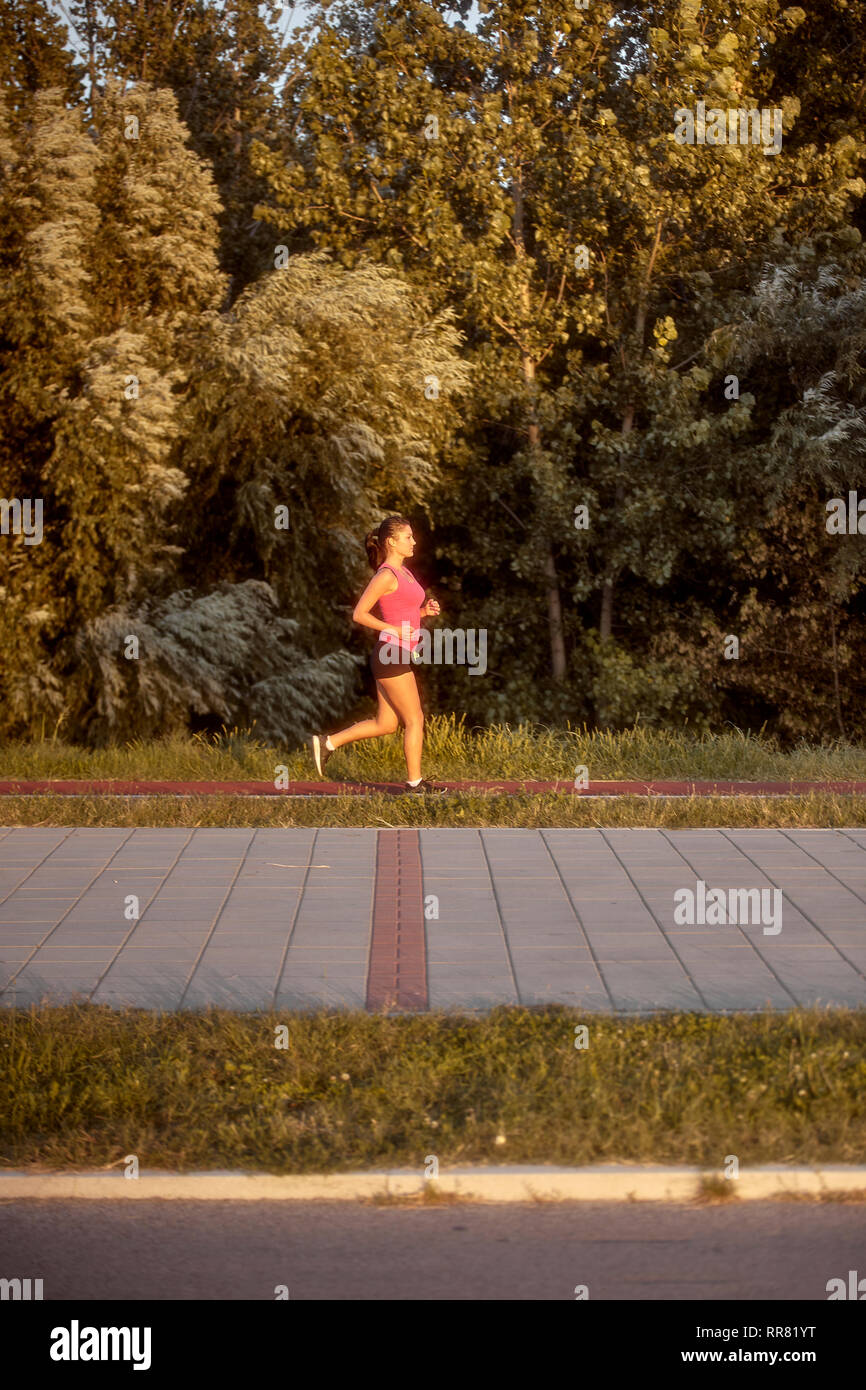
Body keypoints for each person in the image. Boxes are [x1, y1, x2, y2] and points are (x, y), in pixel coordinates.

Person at [310, 516, 443, 794]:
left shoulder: (403, 572)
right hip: (389, 654)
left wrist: (423, 612)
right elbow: (359, 614)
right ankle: (415, 784)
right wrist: (393, 630)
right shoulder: (385, 575)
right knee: (415, 719)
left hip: (394, 654)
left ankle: (328, 743)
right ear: (392, 542)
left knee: (386, 724)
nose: (414, 541)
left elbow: (403, 613)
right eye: (408, 537)